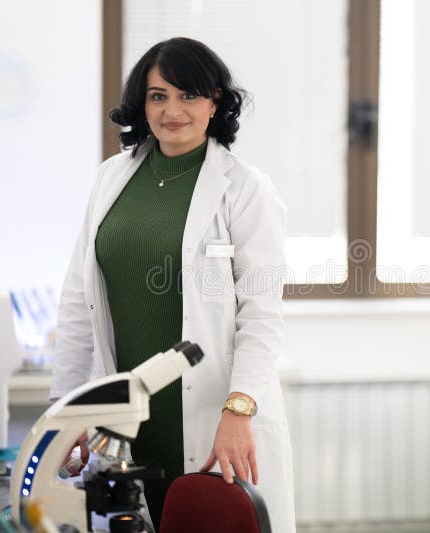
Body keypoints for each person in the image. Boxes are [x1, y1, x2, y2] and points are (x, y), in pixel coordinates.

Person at [50, 37, 295, 532]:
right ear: (142, 103)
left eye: (189, 95)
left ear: (215, 102)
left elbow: (261, 314)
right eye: (158, 96)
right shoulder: (112, 178)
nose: (172, 110)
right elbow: (78, 302)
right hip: (127, 418)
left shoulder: (246, 189)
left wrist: (239, 410)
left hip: (213, 416)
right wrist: (66, 409)